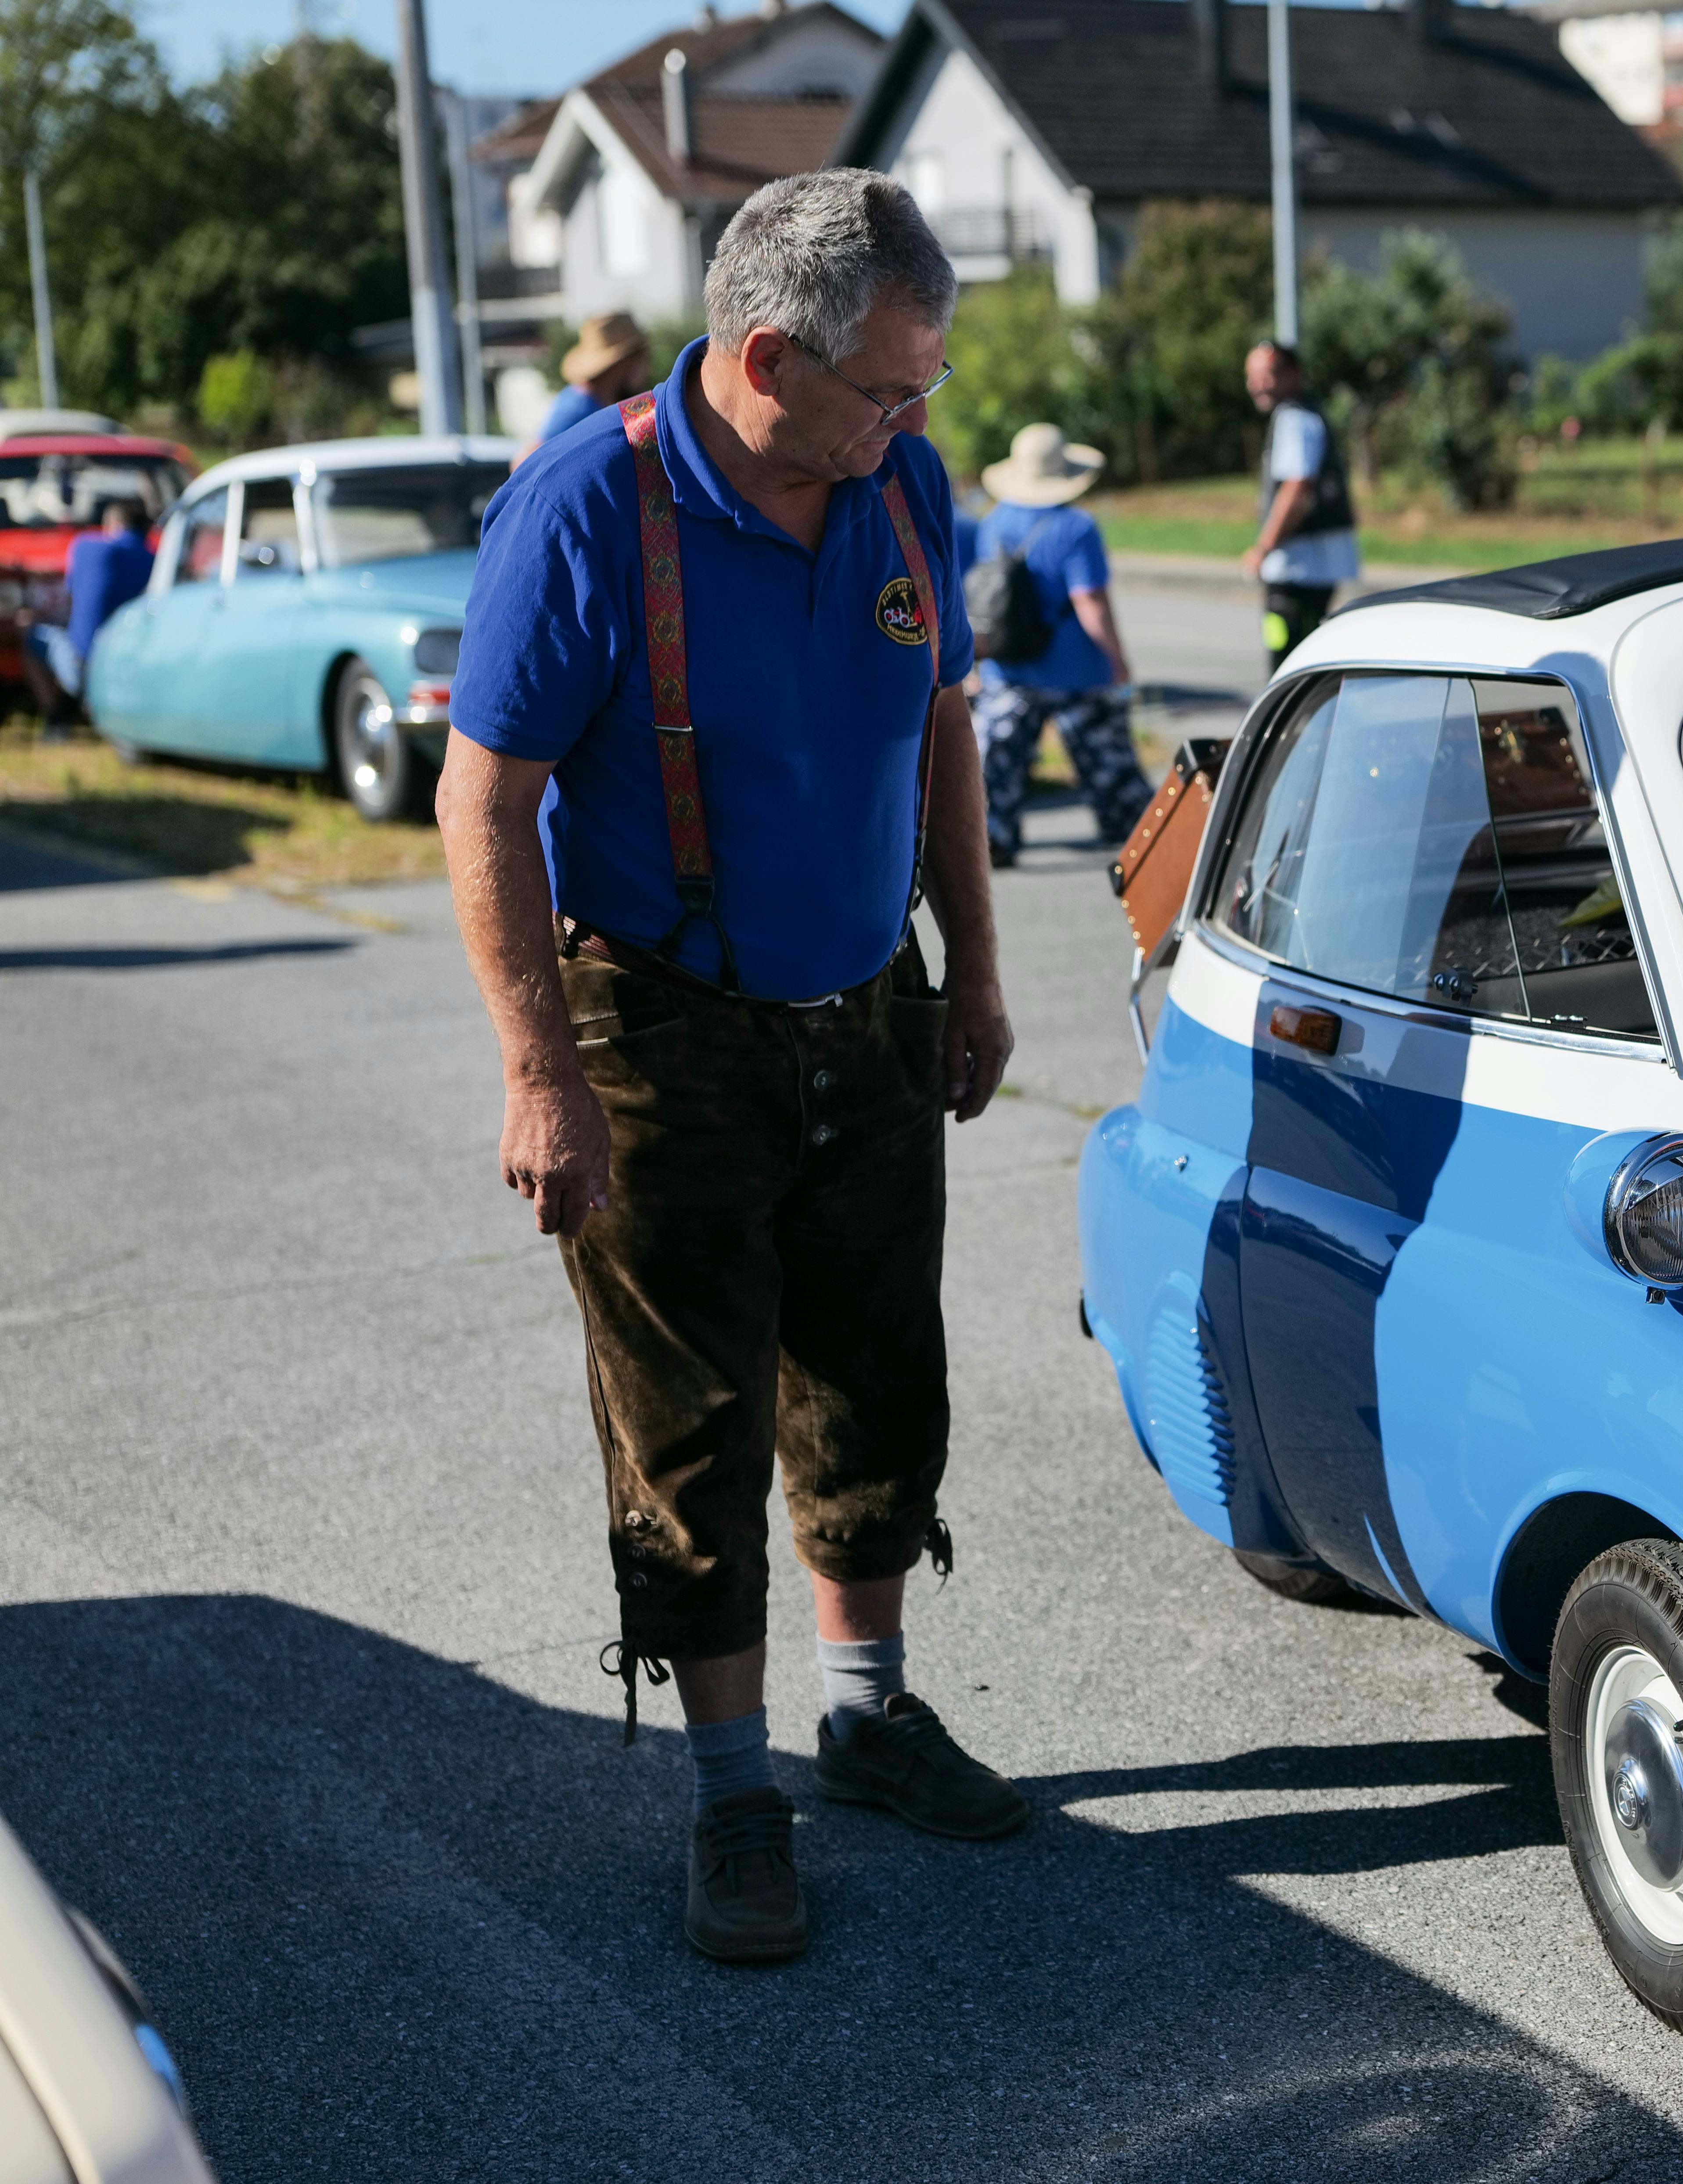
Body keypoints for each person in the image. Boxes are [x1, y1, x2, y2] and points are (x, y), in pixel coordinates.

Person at [438, 169, 1025, 1968]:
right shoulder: (586, 507)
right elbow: (486, 800)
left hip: (867, 1000)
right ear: (769, 357)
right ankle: (731, 1790)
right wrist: (542, 1079)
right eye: (894, 389)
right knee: (688, 1422)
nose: (920, 422)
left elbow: (941, 742)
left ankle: (864, 1713)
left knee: (872, 1370)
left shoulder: (900, 486)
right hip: (660, 1023)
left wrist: (974, 973)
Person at [969, 422, 1149, 866]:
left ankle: (993, 835)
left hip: (1007, 667)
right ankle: (1137, 834)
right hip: (1076, 670)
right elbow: (1090, 602)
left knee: (996, 767)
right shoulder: (1077, 527)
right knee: (1110, 765)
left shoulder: (992, 523)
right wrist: (1118, 661)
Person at [1239, 341, 1356, 671]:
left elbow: (1296, 487)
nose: (1257, 385)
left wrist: (1263, 548)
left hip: (1299, 567)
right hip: (1312, 564)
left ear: (1293, 375)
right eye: (1252, 377)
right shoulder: (1306, 412)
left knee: (1287, 666)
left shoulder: (1294, 418)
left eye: (1268, 376)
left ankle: (1289, 725)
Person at [21, 497, 153, 735]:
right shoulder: (161, 559)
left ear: (113, 523)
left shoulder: (85, 547)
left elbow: (72, 603)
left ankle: (58, 717)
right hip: (139, 672)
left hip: (87, 671)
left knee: (32, 634)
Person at [524, 313, 656, 459]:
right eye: (642, 358)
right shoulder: (579, 407)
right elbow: (526, 460)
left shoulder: (598, 403)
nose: (646, 368)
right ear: (624, 363)